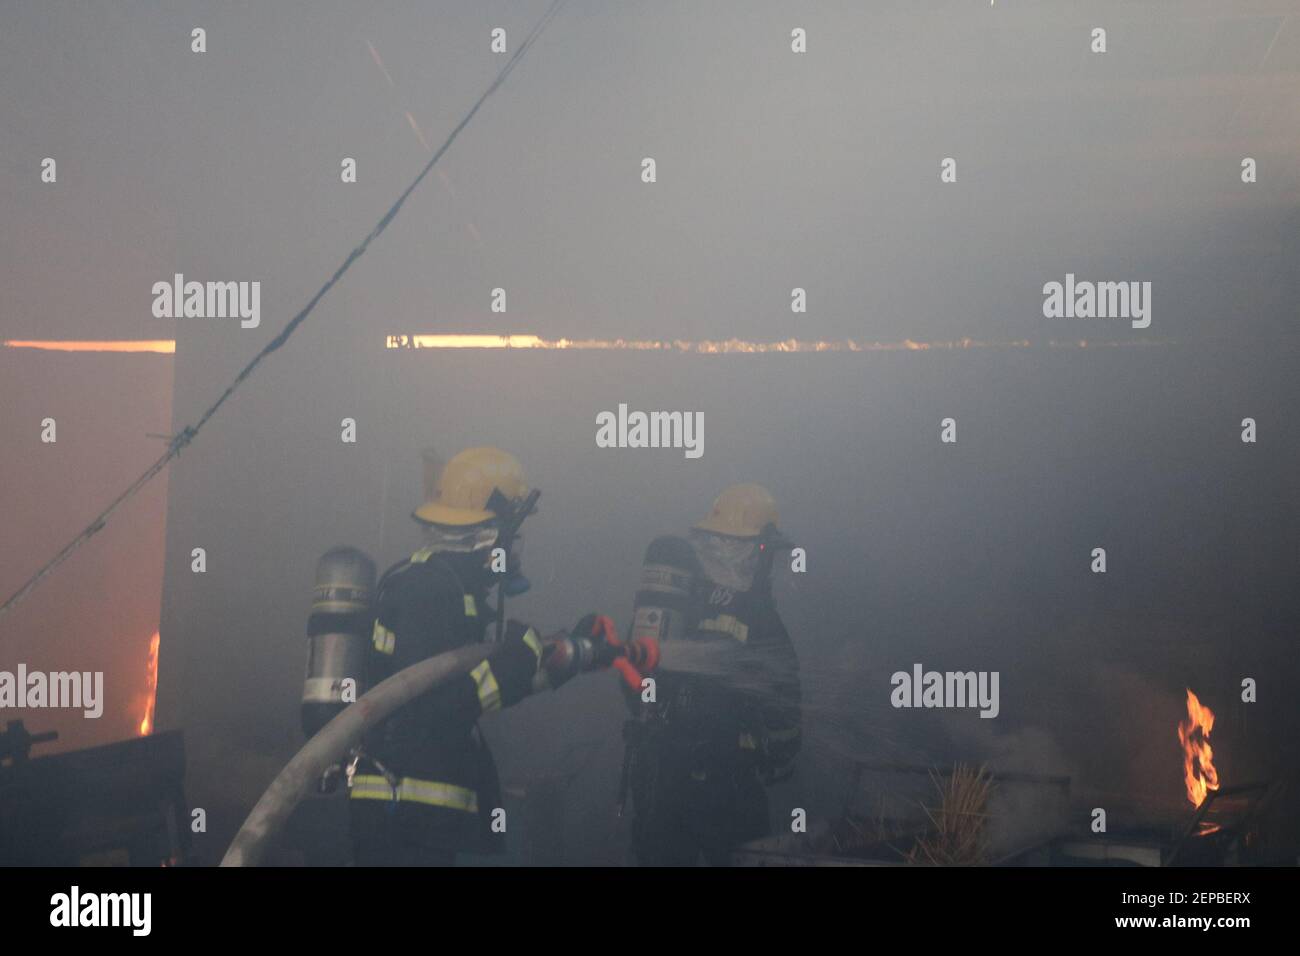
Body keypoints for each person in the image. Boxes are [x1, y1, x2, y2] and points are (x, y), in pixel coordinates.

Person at [349, 446, 617, 866]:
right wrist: (516, 660)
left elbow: (472, 683)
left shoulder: (451, 590)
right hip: (404, 816)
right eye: (514, 535)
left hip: (417, 820)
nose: (515, 549)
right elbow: (435, 703)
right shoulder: (430, 591)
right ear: (491, 534)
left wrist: (569, 659)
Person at [625, 483, 802, 866]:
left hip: (659, 783)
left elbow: (634, 679)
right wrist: (778, 754)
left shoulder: (677, 596)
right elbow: (784, 709)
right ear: (761, 550)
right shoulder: (759, 616)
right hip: (727, 788)